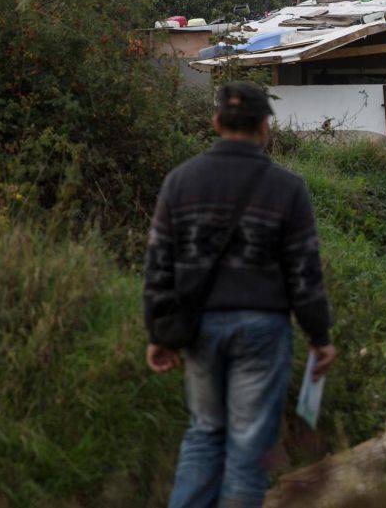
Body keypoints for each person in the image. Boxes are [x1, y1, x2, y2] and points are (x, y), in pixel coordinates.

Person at [143, 82, 336, 508]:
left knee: (204, 432)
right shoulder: (287, 188)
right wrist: (319, 336)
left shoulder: (180, 182)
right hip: (262, 330)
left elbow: (158, 264)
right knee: (248, 450)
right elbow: (304, 271)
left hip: (200, 327)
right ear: (265, 126)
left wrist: (159, 332)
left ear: (215, 123)